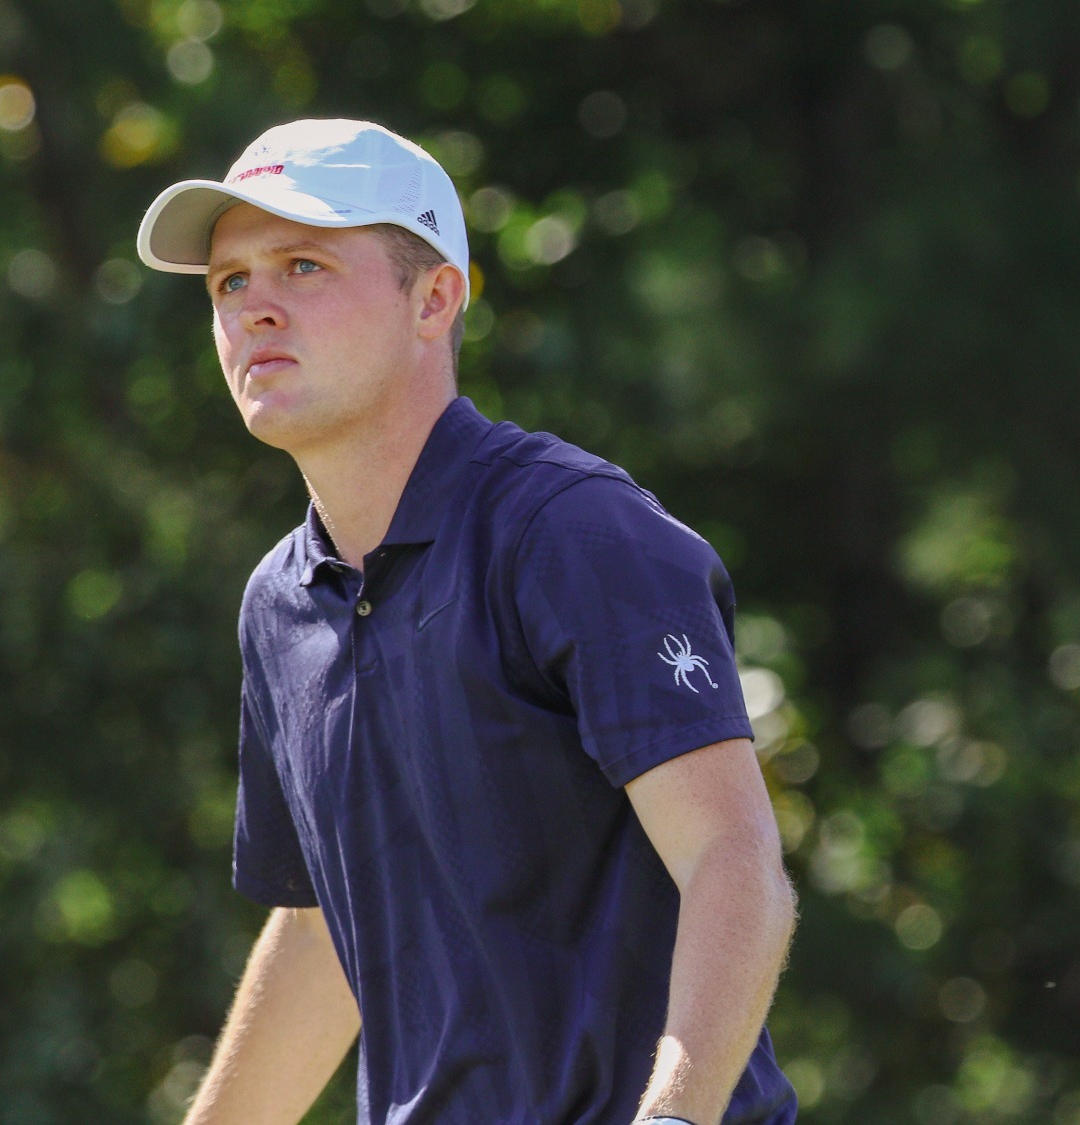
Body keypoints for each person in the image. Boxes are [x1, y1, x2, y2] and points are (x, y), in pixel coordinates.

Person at [135, 118, 798, 1125]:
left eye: (304, 265)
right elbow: (320, 934)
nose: (253, 307)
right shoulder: (279, 604)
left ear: (434, 298)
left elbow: (733, 860)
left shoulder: (574, 532)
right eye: (229, 282)